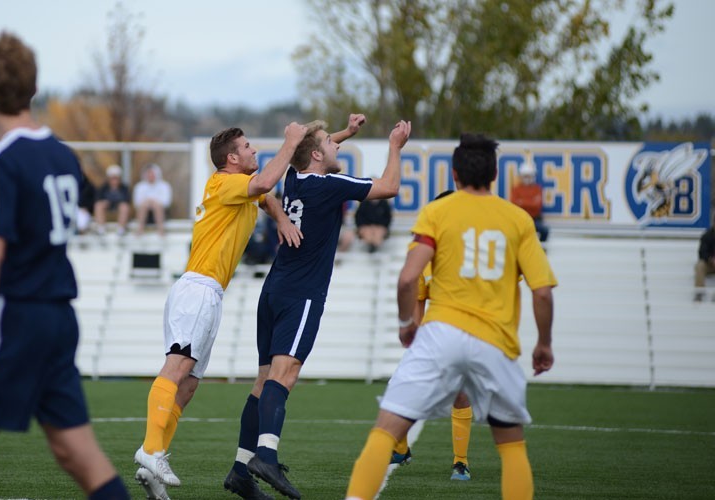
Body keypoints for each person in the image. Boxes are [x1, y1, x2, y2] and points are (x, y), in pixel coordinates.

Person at [0, 32, 129, 500]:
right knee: (77, 452)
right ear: (34, 87)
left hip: (17, 318)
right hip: (58, 318)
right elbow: (45, 232)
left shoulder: (2, 159)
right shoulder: (62, 155)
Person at [345, 134, 557, 500]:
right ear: (494, 175)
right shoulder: (518, 220)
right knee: (511, 446)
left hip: (442, 334)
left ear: (455, 174)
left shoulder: (437, 212)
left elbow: (408, 279)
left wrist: (406, 325)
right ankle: (461, 461)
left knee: (385, 430)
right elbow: (542, 292)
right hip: (495, 341)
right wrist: (544, 343)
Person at [225, 116, 410, 500]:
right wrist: (395, 146)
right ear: (316, 154)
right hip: (302, 294)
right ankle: (266, 457)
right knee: (285, 375)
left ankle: (241, 471)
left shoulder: (294, 176)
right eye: (331, 142)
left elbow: (307, 149)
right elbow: (390, 186)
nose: (336, 145)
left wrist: (344, 133)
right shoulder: (328, 185)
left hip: (274, 289)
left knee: (263, 382)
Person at [133, 121, 307, 500]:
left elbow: (265, 196)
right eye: (247, 147)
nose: (253, 150)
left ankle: (153, 467)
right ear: (232, 159)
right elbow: (264, 184)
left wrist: (280, 218)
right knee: (176, 368)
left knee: (188, 385)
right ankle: (150, 450)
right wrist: (291, 142)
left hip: (207, 292)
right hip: (198, 289)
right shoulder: (226, 183)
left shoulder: (237, 188)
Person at [388, 189, 474, 481]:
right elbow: (418, 298)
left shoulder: (474, 252)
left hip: (467, 333)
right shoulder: (424, 255)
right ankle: (401, 450)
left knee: (460, 394)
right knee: (402, 388)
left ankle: (460, 462)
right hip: (434, 336)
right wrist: (414, 335)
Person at [509, 162, 549, 242]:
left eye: (529, 176)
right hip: (519, 219)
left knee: (544, 231)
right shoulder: (516, 189)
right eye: (525, 176)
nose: (527, 178)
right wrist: (531, 201)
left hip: (534, 219)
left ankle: (540, 248)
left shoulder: (537, 189)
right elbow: (514, 204)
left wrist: (521, 202)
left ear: (533, 176)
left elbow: (537, 206)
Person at [133, 163, 173, 236]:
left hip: (161, 213)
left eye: (152, 174)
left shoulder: (164, 186)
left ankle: (161, 230)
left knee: (157, 205)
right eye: (149, 174)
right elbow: (137, 203)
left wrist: (154, 202)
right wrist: (148, 202)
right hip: (144, 214)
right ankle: (139, 230)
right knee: (144, 205)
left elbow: (167, 202)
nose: (150, 176)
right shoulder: (140, 186)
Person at [93, 164, 132, 235]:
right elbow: (98, 199)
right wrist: (104, 202)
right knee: (98, 205)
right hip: (107, 206)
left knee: (124, 207)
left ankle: (121, 229)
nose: (114, 180)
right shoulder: (103, 188)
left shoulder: (124, 188)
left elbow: (127, 200)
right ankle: (101, 228)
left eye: (116, 178)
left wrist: (117, 202)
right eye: (112, 178)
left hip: (119, 206)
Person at [694, 226, 715, 302]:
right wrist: (711, 259)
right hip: (709, 264)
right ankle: (699, 292)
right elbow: (702, 253)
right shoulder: (706, 236)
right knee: (700, 266)